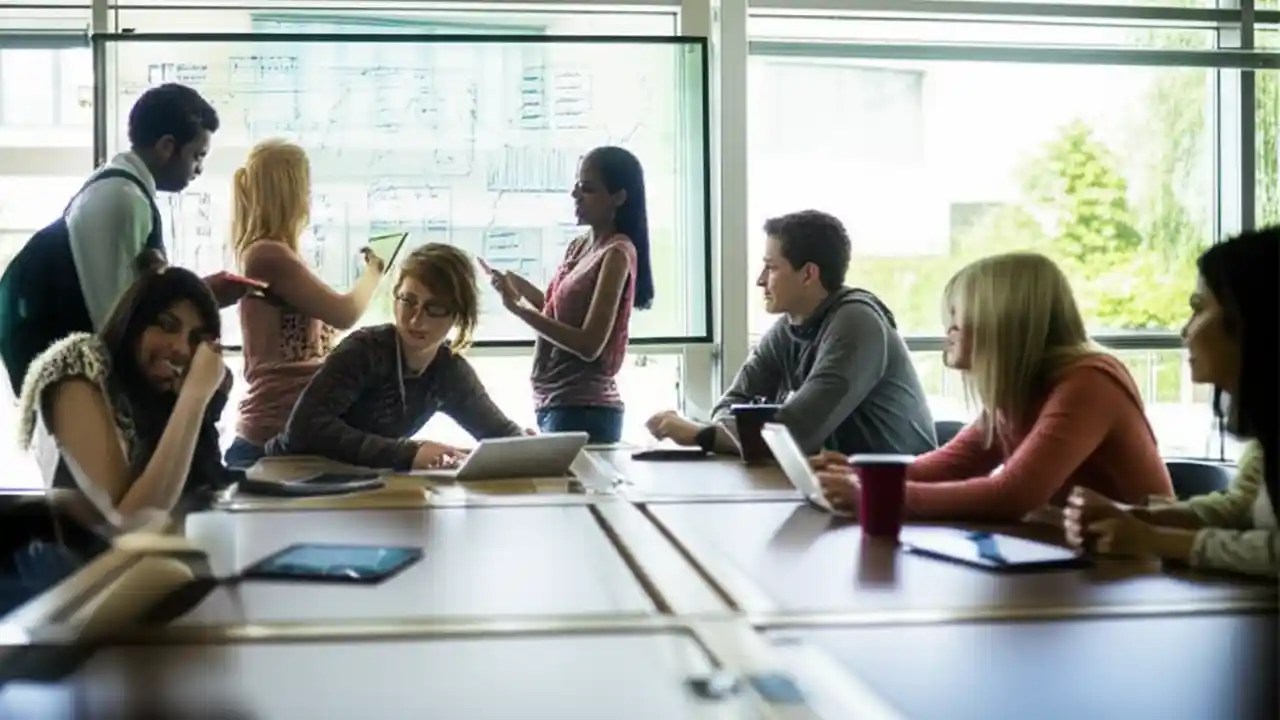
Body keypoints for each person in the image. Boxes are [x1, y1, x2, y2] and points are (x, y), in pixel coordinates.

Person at [817, 251, 1173, 521]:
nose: (949, 329)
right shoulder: (1023, 387)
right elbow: (948, 466)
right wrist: (855, 472)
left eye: (958, 315)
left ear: (1003, 320)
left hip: (1137, 571)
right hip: (1083, 563)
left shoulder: (1089, 383)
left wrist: (875, 496)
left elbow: (1013, 495)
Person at [1065, 229, 1278, 578]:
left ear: (1250, 319)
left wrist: (1153, 539)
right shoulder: (1269, 424)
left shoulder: (1086, 384)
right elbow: (1240, 506)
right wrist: (1134, 516)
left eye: (1198, 309)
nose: (1185, 331)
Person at [647, 210, 936, 456]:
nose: (760, 280)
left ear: (808, 274)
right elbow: (729, 407)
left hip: (897, 502)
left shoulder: (858, 323)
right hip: (840, 491)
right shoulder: (788, 328)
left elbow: (796, 435)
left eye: (771, 267)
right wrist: (722, 430)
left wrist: (702, 435)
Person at [267, 244, 523, 470]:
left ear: (458, 315)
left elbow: (497, 432)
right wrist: (408, 452)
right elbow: (303, 429)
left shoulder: (449, 370)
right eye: (408, 300)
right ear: (395, 297)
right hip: (293, 476)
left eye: (434, 308)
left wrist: (527, 446)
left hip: (353, 483)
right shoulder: (364, 351)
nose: (416, 318)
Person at [16, 258, 233, 519]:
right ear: (135, 321)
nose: (181, 349)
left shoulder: (158, 400)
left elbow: (203, 490)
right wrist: (194, 398)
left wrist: (208, 404)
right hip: (78, 559)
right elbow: (127, 526)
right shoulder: (78, 370)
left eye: (195, 339)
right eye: (166, 325)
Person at [224, 139, 385, 468]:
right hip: (273, 432)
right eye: (306, 187)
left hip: (295, 426)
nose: (309, 198)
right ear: (289, 192)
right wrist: (375, 271)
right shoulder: (268, 255)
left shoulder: (275, 254)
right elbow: (345, 313)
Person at [482, 146, 653, 444]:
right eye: (576, 186)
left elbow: (589, 344)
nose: (575, 195)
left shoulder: (617, 253)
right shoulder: (578, 246)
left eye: (587, 188)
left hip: (585, 410)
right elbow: (554, 313)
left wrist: (520, 311)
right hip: (554, 403)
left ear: (619, 198)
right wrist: (519, 289)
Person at [68, 83, 248, 323]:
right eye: (197, 155)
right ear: (166, 146)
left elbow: (135, 303)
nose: (199, 169)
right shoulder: (121, 198)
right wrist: (202, 296)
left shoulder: (120, 187)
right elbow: (114, 320)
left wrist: (200, 294)